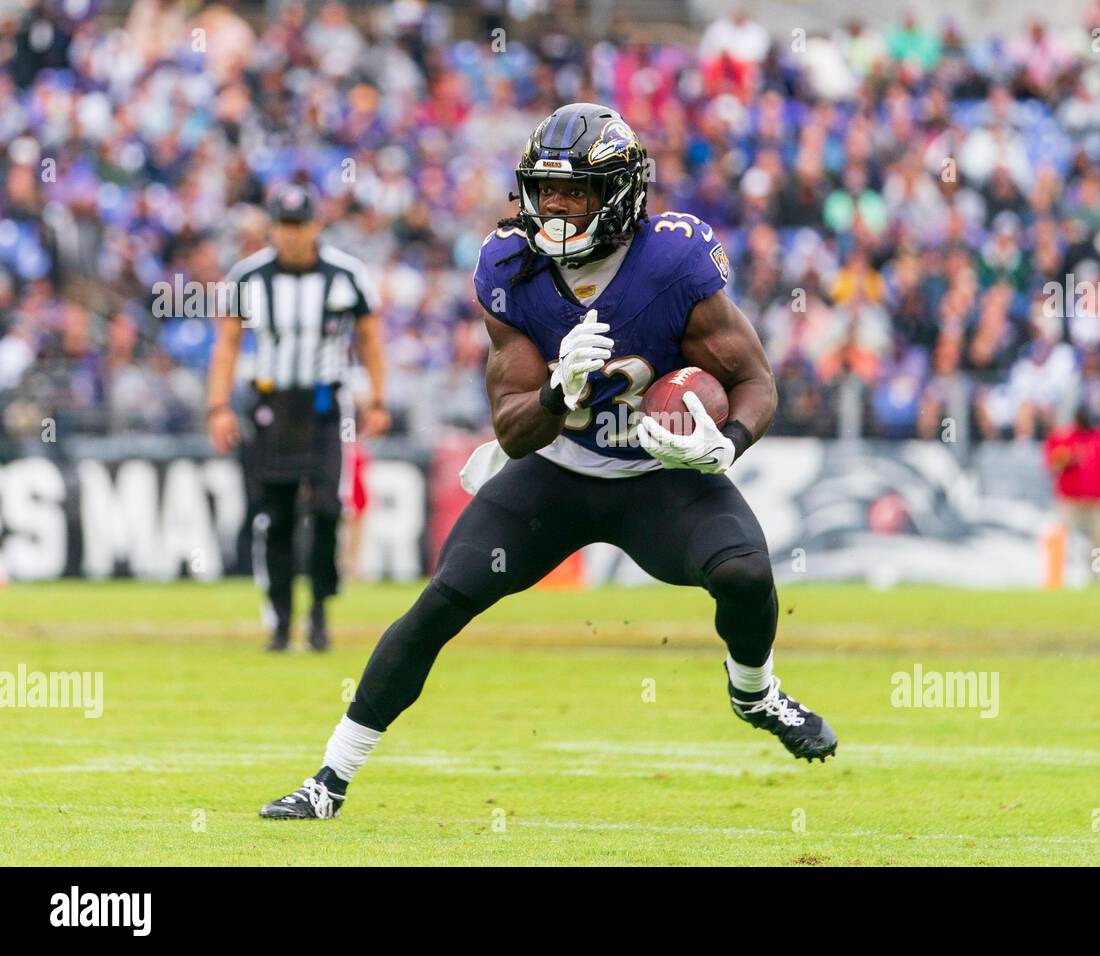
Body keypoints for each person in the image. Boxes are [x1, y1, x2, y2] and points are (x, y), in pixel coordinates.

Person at [259, 103, 837, 819]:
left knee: (747, 575)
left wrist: (729, 444)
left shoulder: (675, 260)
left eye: (578, 192)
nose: (558, 208)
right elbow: (513, 424)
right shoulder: (510, 265)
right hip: (558, 472)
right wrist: (557, 393)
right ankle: (329, 779)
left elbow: (756, 382)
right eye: (547, 191)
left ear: (621, 193)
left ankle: (756, 693)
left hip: (661, 480)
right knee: (444, 599)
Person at [206, 182, 390, 652]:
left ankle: (321, 610)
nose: (291, 235)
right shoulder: (248, 277)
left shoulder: (346, 275)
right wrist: (219, 406)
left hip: (326, 404)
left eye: (299, 224)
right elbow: (226, 346)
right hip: (271, 405)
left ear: (316, 225)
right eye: (284, 225)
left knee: (328, 507)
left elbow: (369, 339)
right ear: (272, 227)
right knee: (278, 513)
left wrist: (378, 398)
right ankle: (282, 619)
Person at [1044, 407, 1100, 583]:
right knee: (1061, 538)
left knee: (1098, 541)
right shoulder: (1063, 437)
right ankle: (1056, 576)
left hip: (1096, 499)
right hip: (1069, 499)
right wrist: (1066, 458)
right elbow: (1052, 465)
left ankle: (1097, 576)